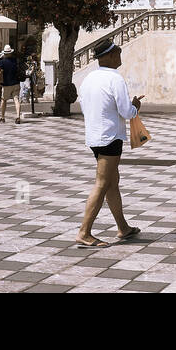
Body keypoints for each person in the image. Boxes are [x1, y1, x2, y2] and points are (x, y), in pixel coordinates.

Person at [75, 40, 142, 249]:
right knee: (103, 182)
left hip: (94, 136)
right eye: (118, 52)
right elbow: (125, 111)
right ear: (110, 56)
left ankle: (123, 227)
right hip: (110, 137)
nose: (120, 55)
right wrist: (135, 106)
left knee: (113, 181)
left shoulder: (88, 78)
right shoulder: (115, 78)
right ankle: (84, 232)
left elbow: (85, 106)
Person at [0, 44, 23, 125]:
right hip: (16, 83)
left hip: (6, 84)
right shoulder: (15, 60)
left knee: (4, 100)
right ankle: (18, 116)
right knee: (16, 99)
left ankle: (3, 117)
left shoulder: (2, 62)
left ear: (5, 53)